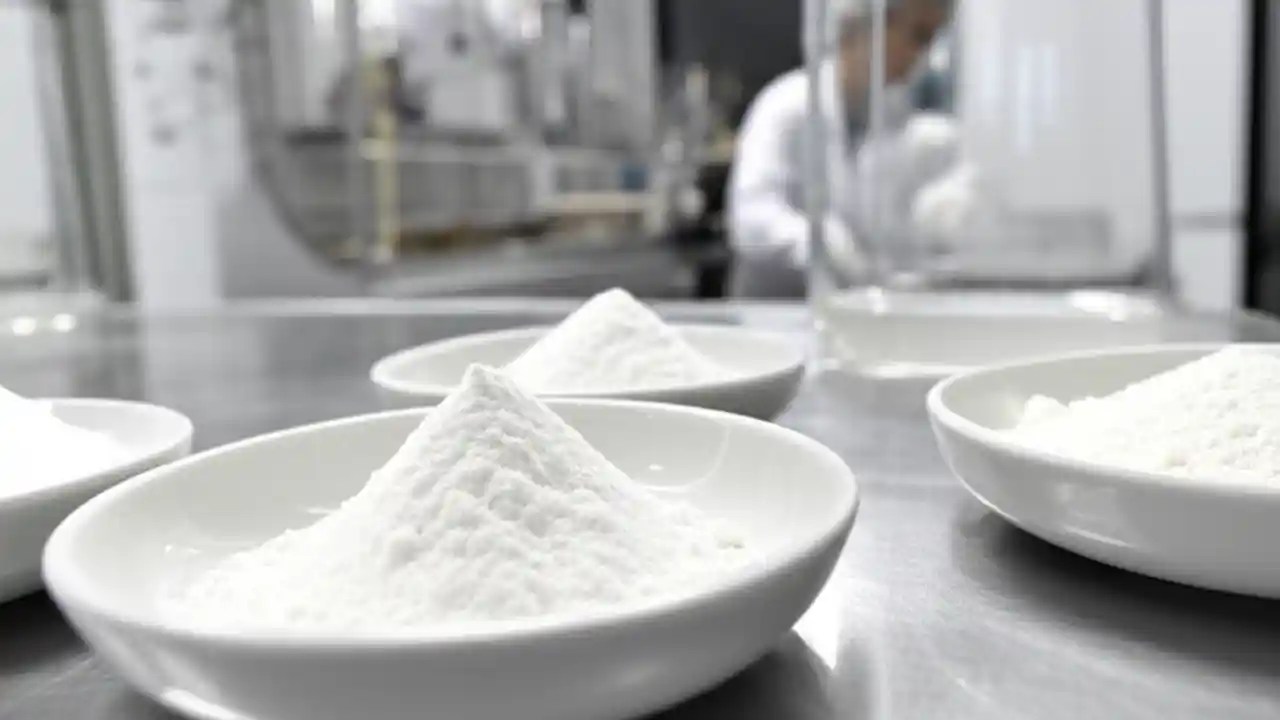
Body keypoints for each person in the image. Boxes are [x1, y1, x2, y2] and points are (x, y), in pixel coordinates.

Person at [727, 0, 955, 297]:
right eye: (918, 36)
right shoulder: (788, 105)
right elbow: (752, 217)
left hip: (848, 311)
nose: (922, 56)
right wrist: (818, 241)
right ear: (867, 27)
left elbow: (888, 228)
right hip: (776, 309)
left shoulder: (893, 117)